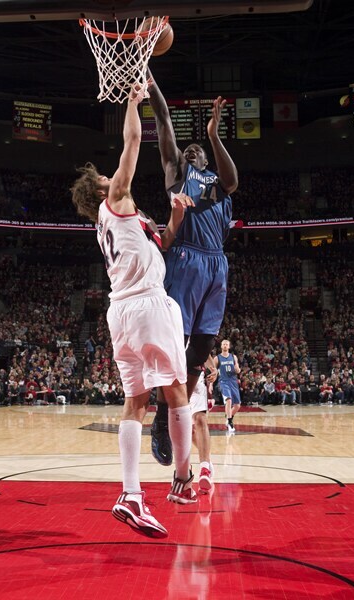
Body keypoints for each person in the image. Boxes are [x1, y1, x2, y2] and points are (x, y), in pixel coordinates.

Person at [70, 83, 196, 538]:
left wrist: (176, 218)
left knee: (136, 401)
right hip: (146, 304)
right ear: (102, 187)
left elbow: (159, 244)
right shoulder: (115, 198)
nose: (114, 175)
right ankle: (181, 481)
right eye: (109, 175)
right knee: (177, 391)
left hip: (119, 312)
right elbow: (134, 141)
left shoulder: (114, 222)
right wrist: (133, 100)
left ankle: (130, 495)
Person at [146, 69, 239, 466]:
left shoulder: (218, 188)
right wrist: (150, 81)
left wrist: (214, 135)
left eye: (197, 151)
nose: (190, 151)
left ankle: (173, 409)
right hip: (185, 258)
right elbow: (164, 121)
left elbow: (232, 181)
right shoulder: (176, 175)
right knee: (174, 343)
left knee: (201, 350)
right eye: (189, 150)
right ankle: (163, 415)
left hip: (217, 264)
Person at [189, 365, 216, 493]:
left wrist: (214, 369)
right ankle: (186, 470)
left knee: (200, 419)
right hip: (176, 378)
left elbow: (205, 347)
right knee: (187, 430)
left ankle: (205, 469)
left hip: (196, 378)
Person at [216, 339, 242, 432]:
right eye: (224, 344)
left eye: (227, 344)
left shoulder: (233, 357)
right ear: (221, 346)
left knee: (238, 405)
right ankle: (230, 423)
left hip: (233, 381)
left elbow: (238, 370)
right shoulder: (217, 358)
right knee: (229, 400)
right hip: (223, 381)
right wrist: (211, 385)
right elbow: (214, 372)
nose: (225, 346)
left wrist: (237, 369)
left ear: (229, 346)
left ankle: (228, 416)